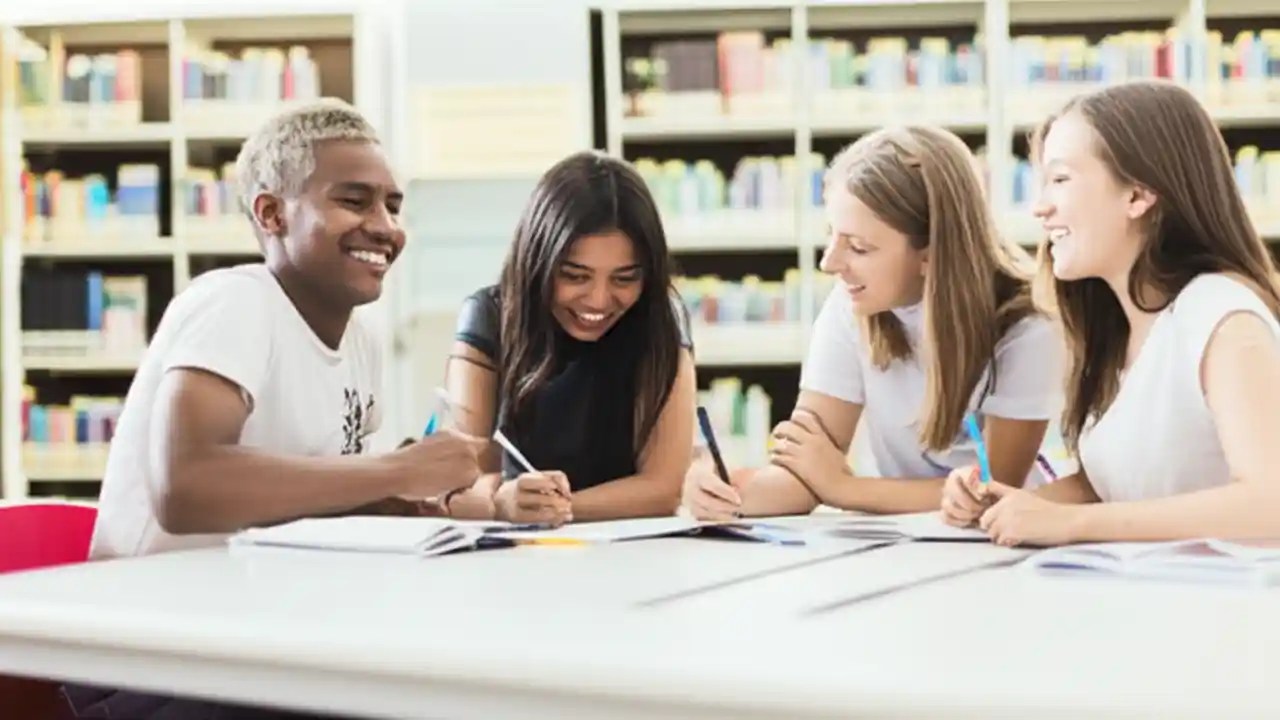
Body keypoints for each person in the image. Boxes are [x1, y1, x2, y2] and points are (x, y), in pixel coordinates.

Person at [87, 100, 484, 563]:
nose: (385, 227)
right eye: (354, 201)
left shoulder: (362, 341)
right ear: (273, 213)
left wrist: (414, 495)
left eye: (393, 207)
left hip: (265, 593)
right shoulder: (235, 302)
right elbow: (186, 487)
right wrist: (395, 470)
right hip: (154, 609)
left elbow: (313, 495)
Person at [941, 80, 1280, 546]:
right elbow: (1115, 487)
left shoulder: (1221, 316)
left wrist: (1072, 526)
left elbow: (1270, 507)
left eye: (1060, 179)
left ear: (1138, 196)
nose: (1040, 208)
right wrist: (1007, 504)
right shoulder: (1119, 330)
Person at [683, 126, 1064, 520]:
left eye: (859, 247)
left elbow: (994, 488)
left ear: (931, 254)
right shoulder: (851, 308)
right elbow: (803, 474)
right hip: (903, 545)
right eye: (831, 236)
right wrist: (725, 490)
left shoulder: (1027, 327)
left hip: (999, 543)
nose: (829, 263)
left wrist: (845, 489)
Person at [439, 150, 696, 525]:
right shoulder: (489, 315)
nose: (598, 300)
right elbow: (461, 482)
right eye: (575, 276)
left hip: (634, 552)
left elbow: (662, 488)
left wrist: (553, 507)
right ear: (537, 263)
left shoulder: (661, 319)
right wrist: (498, 503)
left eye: (625, 278)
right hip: (513, 556)